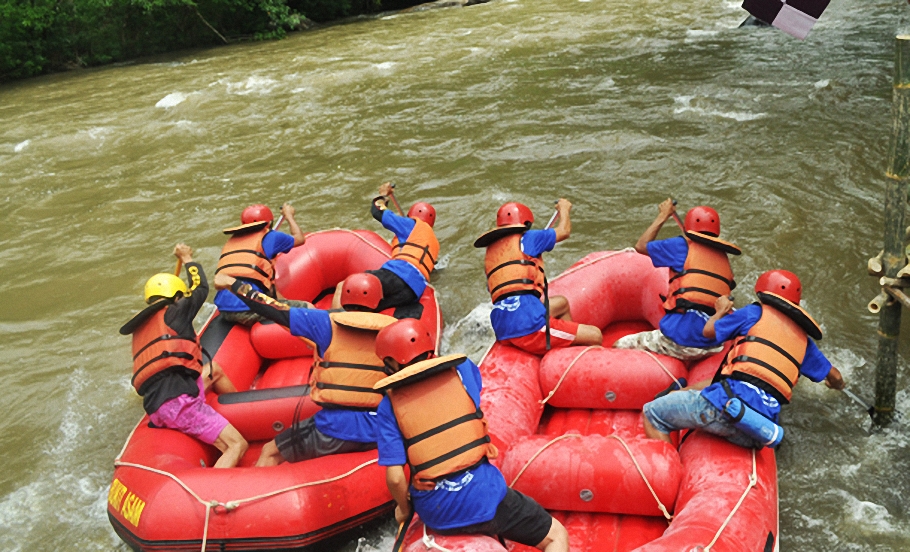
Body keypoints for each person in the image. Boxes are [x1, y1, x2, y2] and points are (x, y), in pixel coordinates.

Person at [373, 319, 569, 552]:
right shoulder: (463, 368)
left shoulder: (389, 406)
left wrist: (404, 510)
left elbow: (395, 478)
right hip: (486, 499)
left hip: (436, 513)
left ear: (393, 362)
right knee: (556, 535)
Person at [641, 270, 845, 449]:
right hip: (757, 429)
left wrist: (720, 310)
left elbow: (708, 332)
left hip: (724, 411)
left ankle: (670, 472)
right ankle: (679, 394)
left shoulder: (753, 313)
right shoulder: (804, 342)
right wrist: (834, 384)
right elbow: (835, 376)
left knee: (652, 413)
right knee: (723, 383)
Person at [214, 273, 397, 466]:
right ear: (378, 301)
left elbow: (271, 307)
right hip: (380, 428)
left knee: (270, 452)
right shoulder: (393, 331)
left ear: (345, 299)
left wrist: (233, 284)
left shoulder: (324, 322)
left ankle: (259, 493)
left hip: (334, 427)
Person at [120, 244, 248, 468]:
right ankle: (211, 494)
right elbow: (201, 287)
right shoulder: (176, 311)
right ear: (176, 296)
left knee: (214, 369)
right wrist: (187, 257)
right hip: (180, 406)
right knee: (237, 445)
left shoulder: (144, 326)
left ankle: (243, 412)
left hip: (159, 405)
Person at [614, 199, 741, 360]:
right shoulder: (723, 259)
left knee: (619, 344)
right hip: (714, 344)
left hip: (682, 341)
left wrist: (663, 215)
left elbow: (641, 246)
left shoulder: (681, 246)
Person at [473, 199, 602, 355]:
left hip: (502, 326)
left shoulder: (492, 254)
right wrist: (564, 209)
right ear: (526, 224)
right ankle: (569, 357)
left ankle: (569, 343)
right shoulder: (529, 238)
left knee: (561, 303)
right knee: (595, 335)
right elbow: (564, 231)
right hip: (528, 325)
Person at [332, 182, 439, 315]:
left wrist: (382, 196)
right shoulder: (433, 243)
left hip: (398, 275)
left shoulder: (412, 224)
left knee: (344, 286)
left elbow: (377, 211)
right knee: (368, 306)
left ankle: (331, 321)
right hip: (412, 292)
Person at [214, 203, 307, 326]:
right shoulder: (272, 236)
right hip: (247, 309)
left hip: (224, 310)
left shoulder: (233, 241)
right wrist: (289, 215)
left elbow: (263, 282)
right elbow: (300, 238)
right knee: (307, 308)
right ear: (269, 223)